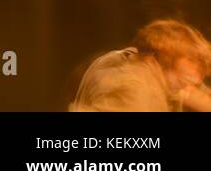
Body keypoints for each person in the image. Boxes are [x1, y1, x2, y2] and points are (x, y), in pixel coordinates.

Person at [71, 20, 211, 112]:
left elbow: (193, 94)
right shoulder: (135, 93)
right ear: (153, 61)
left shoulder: (164, 71)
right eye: (182, 81)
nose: (196, 81)